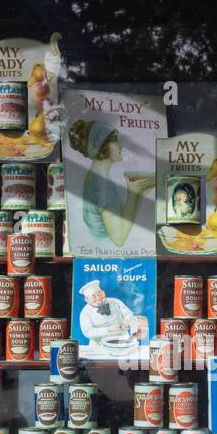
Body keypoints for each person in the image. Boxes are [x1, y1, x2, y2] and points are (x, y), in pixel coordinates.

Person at [68, 119, 155, 247]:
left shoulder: (94, 176)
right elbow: (119, 240)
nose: (120, 145)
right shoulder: (103, 187)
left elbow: (121, 221)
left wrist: (139, 194)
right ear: (101, 145)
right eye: (114, 140)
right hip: (106, 253)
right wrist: (133, 193)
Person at [77, 278, 137, 343]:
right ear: (87, 300)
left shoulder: (115, 302)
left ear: (103, 293)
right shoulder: (85, 312)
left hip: (122, 340)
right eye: (93, 296)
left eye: (99, 293)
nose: (98, 298)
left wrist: (126, 322)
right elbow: (87, 332)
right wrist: (108, 330)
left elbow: (129, 315)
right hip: (99, 345)